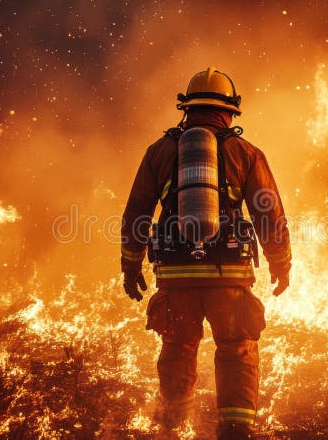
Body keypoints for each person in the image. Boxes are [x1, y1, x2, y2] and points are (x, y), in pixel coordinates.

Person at [120, 66, 292, 440]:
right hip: (228, 275)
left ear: (187, 109)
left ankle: (173, 426)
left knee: (178, 349)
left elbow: (137, 214)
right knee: (236, 350)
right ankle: (236, 429)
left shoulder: (159, 151)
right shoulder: (245, 152)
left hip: (175, 276)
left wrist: (130, 267)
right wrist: (280, 263)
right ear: (229, 112)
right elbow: (268, 214)